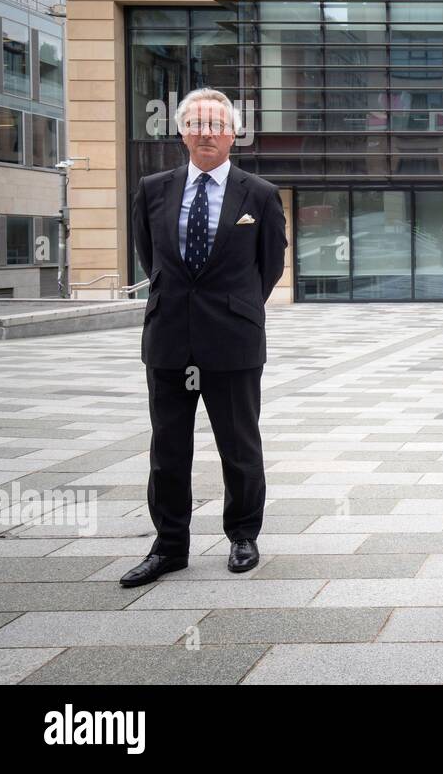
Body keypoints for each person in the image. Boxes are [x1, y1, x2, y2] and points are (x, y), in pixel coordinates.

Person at [123, 88, 287, 587]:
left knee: (239, 446)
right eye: (196, 123)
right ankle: (169, 545)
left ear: (234, 132)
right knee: (167, 449)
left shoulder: (258, 193)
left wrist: (235, 309)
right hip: (169, 337)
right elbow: (152, 259)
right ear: (181, 131)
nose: (207, 132)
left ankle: (242, 535)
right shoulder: (152, 189)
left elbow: (270, 266)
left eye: (217, 124)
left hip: (232, 340)